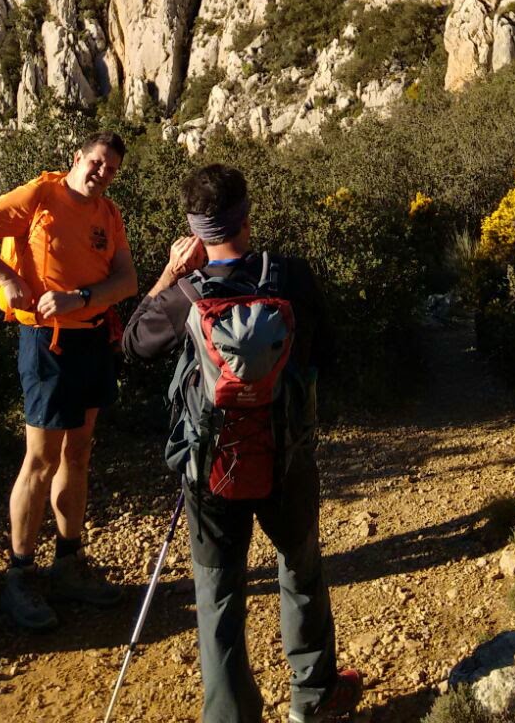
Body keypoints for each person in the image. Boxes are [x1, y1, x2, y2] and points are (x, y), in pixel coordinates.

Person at [123, 163, 361, 723]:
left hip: (211, 467)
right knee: (300, 568)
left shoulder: (184, 292)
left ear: (194, 231)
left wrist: (167, 273)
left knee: (219, 592)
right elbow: (327, 352)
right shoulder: (292, 276)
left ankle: (230, 716)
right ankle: (315, 697)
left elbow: (133, 346)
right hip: (287, 455)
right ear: (247, 218)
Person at [0, 130, 137, 632]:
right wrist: (7, 278)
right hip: (46, 346)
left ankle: (68, 564)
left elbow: (127, 280)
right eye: (96, 162)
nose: (101, 173)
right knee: (40, 459)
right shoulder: (41, 196)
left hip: (91, 340)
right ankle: (19, 575)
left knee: (79, 453)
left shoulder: (108, 215)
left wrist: (81, 296)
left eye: (111, 169)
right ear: (78, 157)